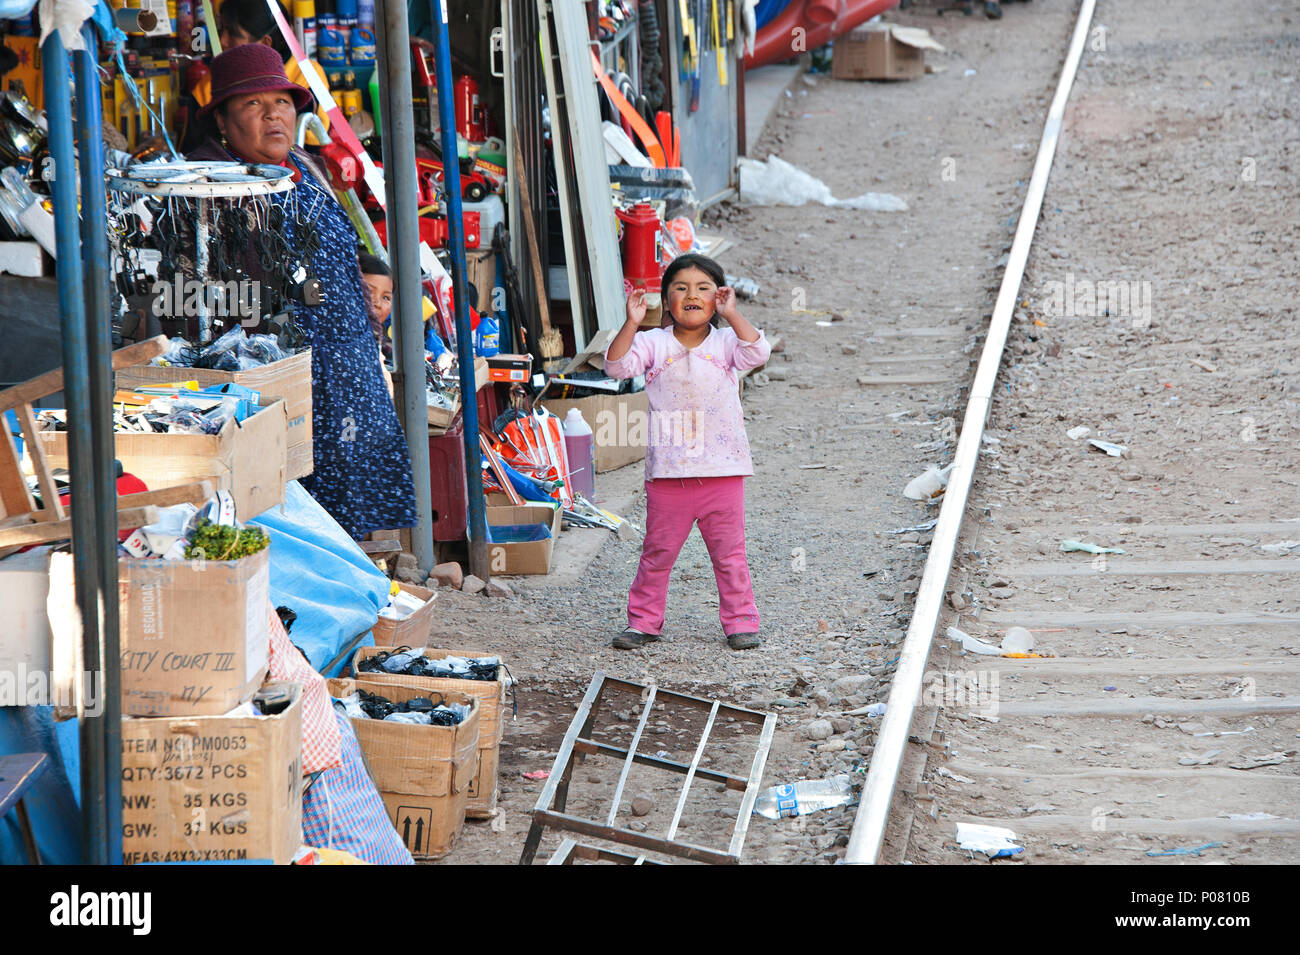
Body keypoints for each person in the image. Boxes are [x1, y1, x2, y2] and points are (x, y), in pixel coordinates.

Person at [188, 43, 416, 540]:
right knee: (296, 500)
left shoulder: (306, 166)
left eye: (283, 103)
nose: (274, 115)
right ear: (223, 122)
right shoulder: (211, 183)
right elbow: (215, 295)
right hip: (283, 369)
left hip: (347, 357)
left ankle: (358, 576)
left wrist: (369, 325)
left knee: (350, 493)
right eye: (253, 104)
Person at [603, 253, 771, 651]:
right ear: (666, 300)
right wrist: (631, 321)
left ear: (718, 298)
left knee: (730, 555)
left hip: (723, 471)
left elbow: (758, 352)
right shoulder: (652, 343)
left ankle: (741, 621)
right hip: (669, 474)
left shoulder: (727, 342)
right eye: (680, 288)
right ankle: (643, 622)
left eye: (703, 288)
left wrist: (733, 315)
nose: (691, 295)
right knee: (657, 553)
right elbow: (616, 366)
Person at [183, 0, 330, 150]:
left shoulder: (307, 77)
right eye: (222, 31)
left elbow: (315, 148)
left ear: (265, 44)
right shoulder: (208, 87)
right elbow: (192, 154)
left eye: (233, 34)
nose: (222, 41)